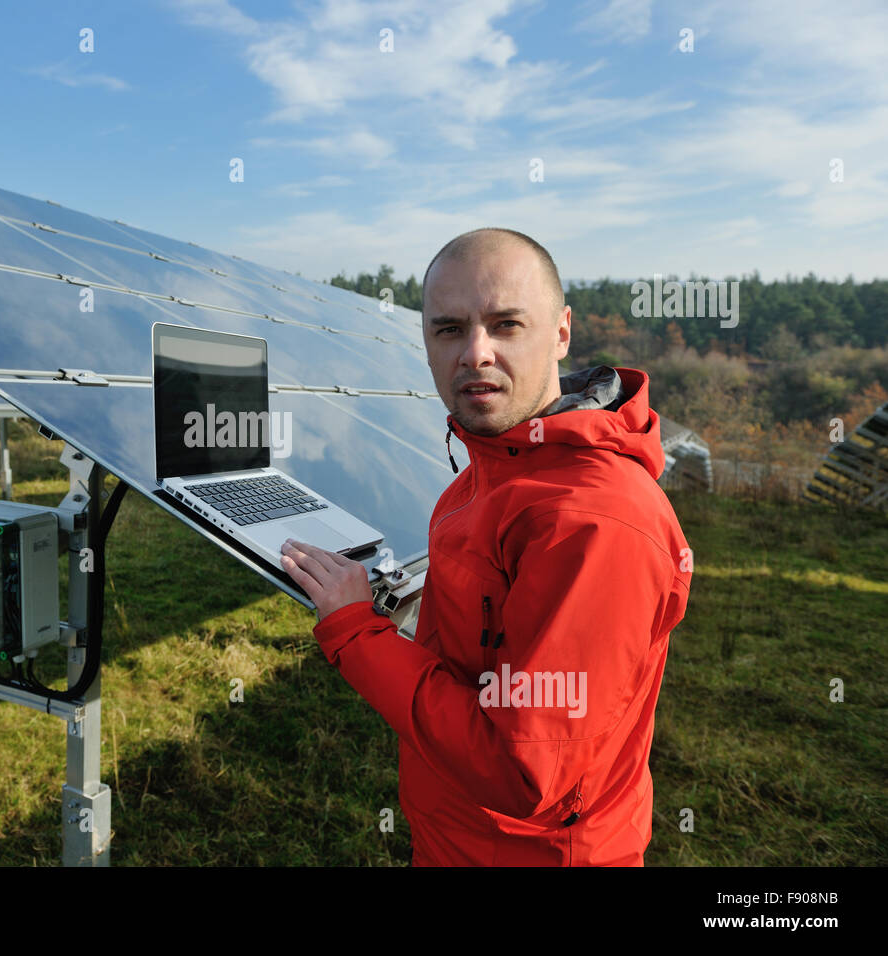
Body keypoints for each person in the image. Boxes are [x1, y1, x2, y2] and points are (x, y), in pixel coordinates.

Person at [279, 227, 692, 866]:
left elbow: (522, 773)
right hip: (461, 840)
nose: (475, 353)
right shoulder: (495, 466)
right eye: (449, 330)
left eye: (505, 325)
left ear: (560, 331)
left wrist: (358, 634)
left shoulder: (592, 521)